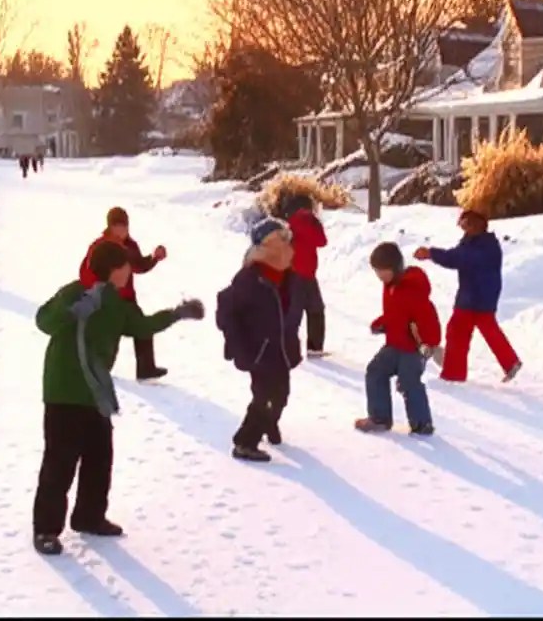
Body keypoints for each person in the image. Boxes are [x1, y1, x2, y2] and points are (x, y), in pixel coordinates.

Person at [31, 241, 205, 555]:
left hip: (95, 392)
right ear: (114, 269)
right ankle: (45, 529)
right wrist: (70, 311)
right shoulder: (74, 292)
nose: (129, 271)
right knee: (60, 461)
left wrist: (178, 313)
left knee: (100, 457)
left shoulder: (118, 302)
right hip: (64, 390)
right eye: (126, 266)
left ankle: (89, 516)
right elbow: (43, 321)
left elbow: (141, 326)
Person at [215, 218, 308, 462]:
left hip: (282, 349)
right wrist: (237, 346)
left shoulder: (289, 277)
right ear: (267, 247)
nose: (288, 245)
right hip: (259, 351)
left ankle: (269, 422)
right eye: (281, 240)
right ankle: (245, 442)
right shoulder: (250, 278)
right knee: (264, 395)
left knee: (281, 395)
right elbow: (225, 310)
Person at [415, 209, 522, 384]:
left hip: (475, 297)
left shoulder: (484, 247)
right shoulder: (474, 242)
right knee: (486, 329)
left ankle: (453, 374)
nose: (463, 228)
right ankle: (510, 362)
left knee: (458, 332)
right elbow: (456, 257)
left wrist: (431, 253)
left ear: (478, 225)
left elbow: (457, 258)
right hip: (478, 295)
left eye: (466, 224)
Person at [355, 242, 440, 435]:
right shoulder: (390, 286)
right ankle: (380, 418)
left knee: (409, 382)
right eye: (377, 271)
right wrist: (381, 323)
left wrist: (430, 343)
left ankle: (422, 423)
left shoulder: (413, 290)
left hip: (413, 350)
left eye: (383, 271)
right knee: (375, 371)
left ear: (395, 267)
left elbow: (429, 318)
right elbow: (395, 314)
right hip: (394, 345)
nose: (380, 276)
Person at [79, 207, 169, 380]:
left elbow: (140, 266)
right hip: (105, 302)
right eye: (117, 227)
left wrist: (154, 258)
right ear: (110, 227)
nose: (121, 231)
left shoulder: (130, 245)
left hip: (127, 300)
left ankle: (146, 369)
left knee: (143, 327)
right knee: (108, 340)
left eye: (124, 227)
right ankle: (98, 369)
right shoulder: (99, 246)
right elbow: (86, 273)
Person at [285, 194, 328, 357]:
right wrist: (317, 224)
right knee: (316, 310)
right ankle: (314, 348)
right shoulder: (311, 221)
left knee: (292, 312)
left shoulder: (289, 222)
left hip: (292, 272)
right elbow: (322, 241)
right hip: (308, 274)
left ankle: (286, 346)